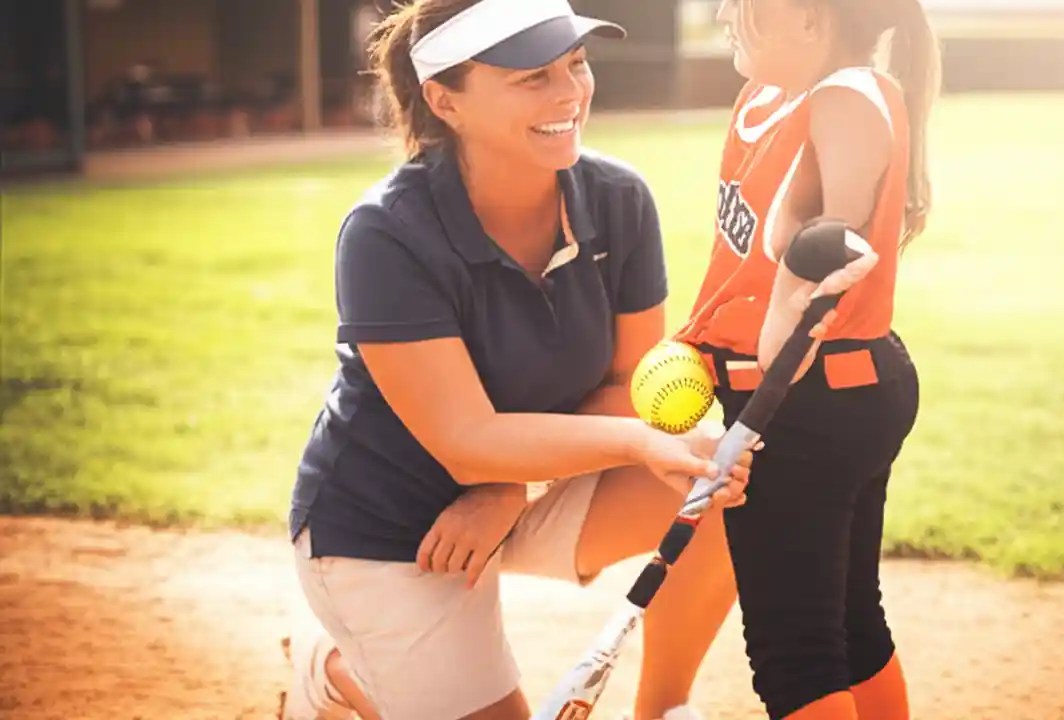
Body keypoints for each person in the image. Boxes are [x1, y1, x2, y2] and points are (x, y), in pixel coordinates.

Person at [283, 1, 750, 718]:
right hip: (391, 525)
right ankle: (341, 671)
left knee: (712, 477)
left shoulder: (618, 199)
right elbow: (467, 443)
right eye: (533, 77)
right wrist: (625, 445)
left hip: (520, 485)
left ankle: (663, 711)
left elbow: (628, 385)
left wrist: (512, 491)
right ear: (445, 100)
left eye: (575, 64)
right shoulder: (385, 233)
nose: (569, 94)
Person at [672, 0, 941, 718]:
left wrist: (796, 273)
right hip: (813, 389)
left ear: (813, 20)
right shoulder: (765, 95)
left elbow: (832, 244)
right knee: (848, 622)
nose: (726, 11)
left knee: (795, 653)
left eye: (745, 1)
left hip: (804, 397)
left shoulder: (848, 97)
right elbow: (741, 266)